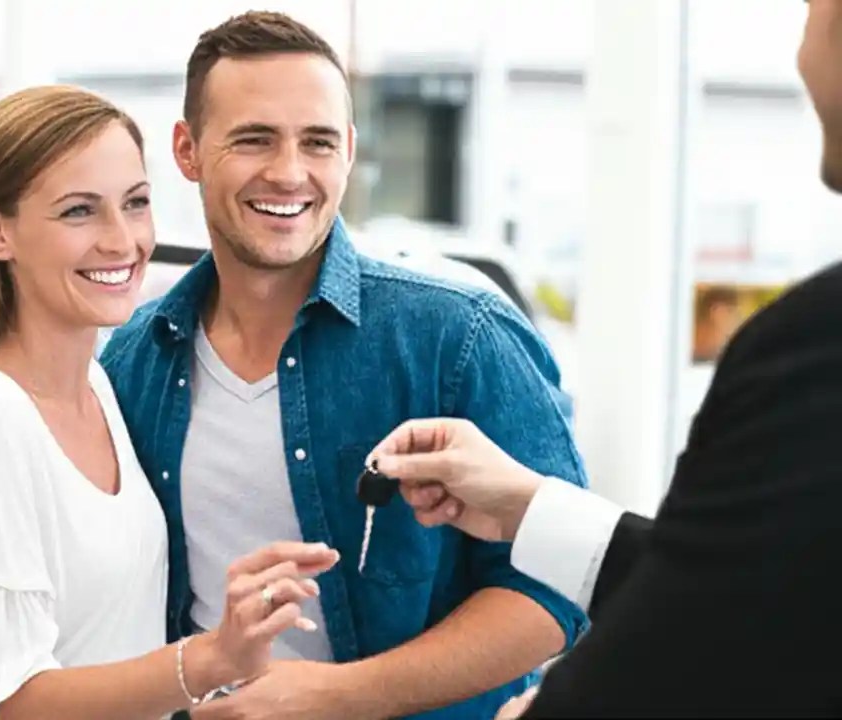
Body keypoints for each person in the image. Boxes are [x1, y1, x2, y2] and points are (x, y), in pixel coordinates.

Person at [99, 11, 590, 720]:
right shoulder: (136, 358)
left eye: (318, 142)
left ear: (350, 151)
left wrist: (340, 698)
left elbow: (558, 588)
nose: (289, 172)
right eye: (254, 139)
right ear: (188, 149)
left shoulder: (458, 337)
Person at [368, 0, 842, 714]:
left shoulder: (814, 347)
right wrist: (527, 509)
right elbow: (744, 579)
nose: (802, 43)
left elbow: (701, 633)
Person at [0, 85, 341, 720]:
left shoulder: (100, 387)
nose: (122, 241)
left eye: (136, 203)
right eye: (78, 212)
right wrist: (213, 660)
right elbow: (10, 701)